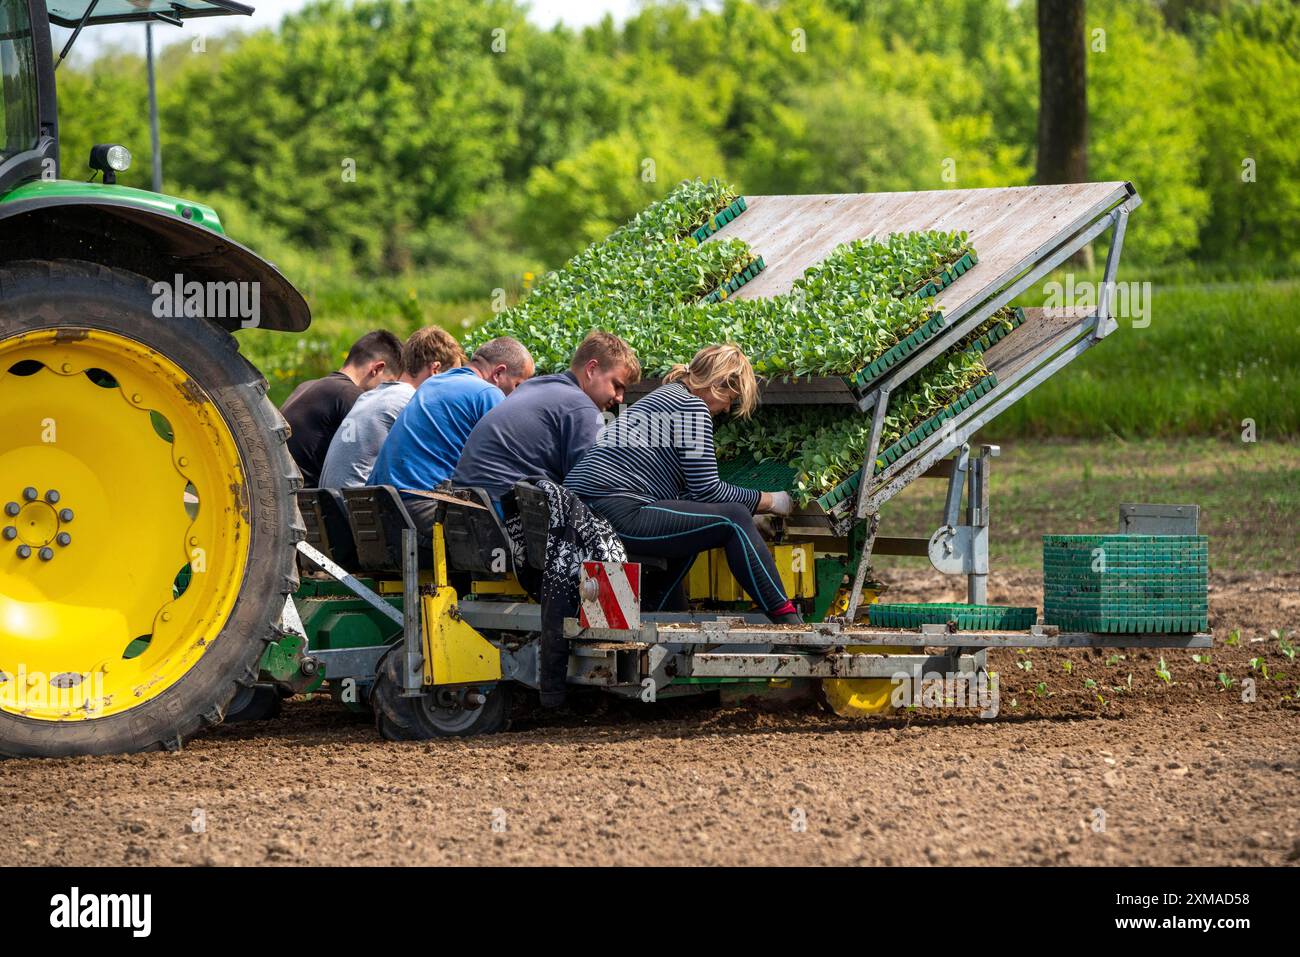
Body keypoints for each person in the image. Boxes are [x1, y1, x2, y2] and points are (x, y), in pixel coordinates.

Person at [565, 343, 800, 623]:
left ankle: (655, 618)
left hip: (585, 512)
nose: (726, 408)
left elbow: (692, 498)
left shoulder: (667, 396)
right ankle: (789, 623)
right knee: (734, 519)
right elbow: (708, 491)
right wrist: (771, 502)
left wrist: (751, 514)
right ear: (718, 384)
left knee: (694, 532)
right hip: (615, 511)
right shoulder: (691, 406)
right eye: (730, 398)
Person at [452, 330, 641, 510]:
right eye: (617, 386)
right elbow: (595, 485)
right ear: (591, 369)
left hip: (465, 507)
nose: (620, 398)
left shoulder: (535, 385)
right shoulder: (580, 406)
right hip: (502, 512)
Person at [369, 336, 534, 534]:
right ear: (499, 373)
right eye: (517, 385)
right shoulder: (488, 393)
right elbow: (509, 465)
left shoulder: (433, 382)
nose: (515, 396)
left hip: (380, 505)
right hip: (422, 508)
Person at [318, 326, 465, 489]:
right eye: (453, 376)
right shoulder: (411, 401)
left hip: (334, 502)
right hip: (358, 505)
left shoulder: (372, 395)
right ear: (435, 370)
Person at [281, 330, 403, 487]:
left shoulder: (306, 386)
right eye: (388, 383)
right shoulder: (351, 396)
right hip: (304, 499)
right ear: (377, 369)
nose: (385, 393)